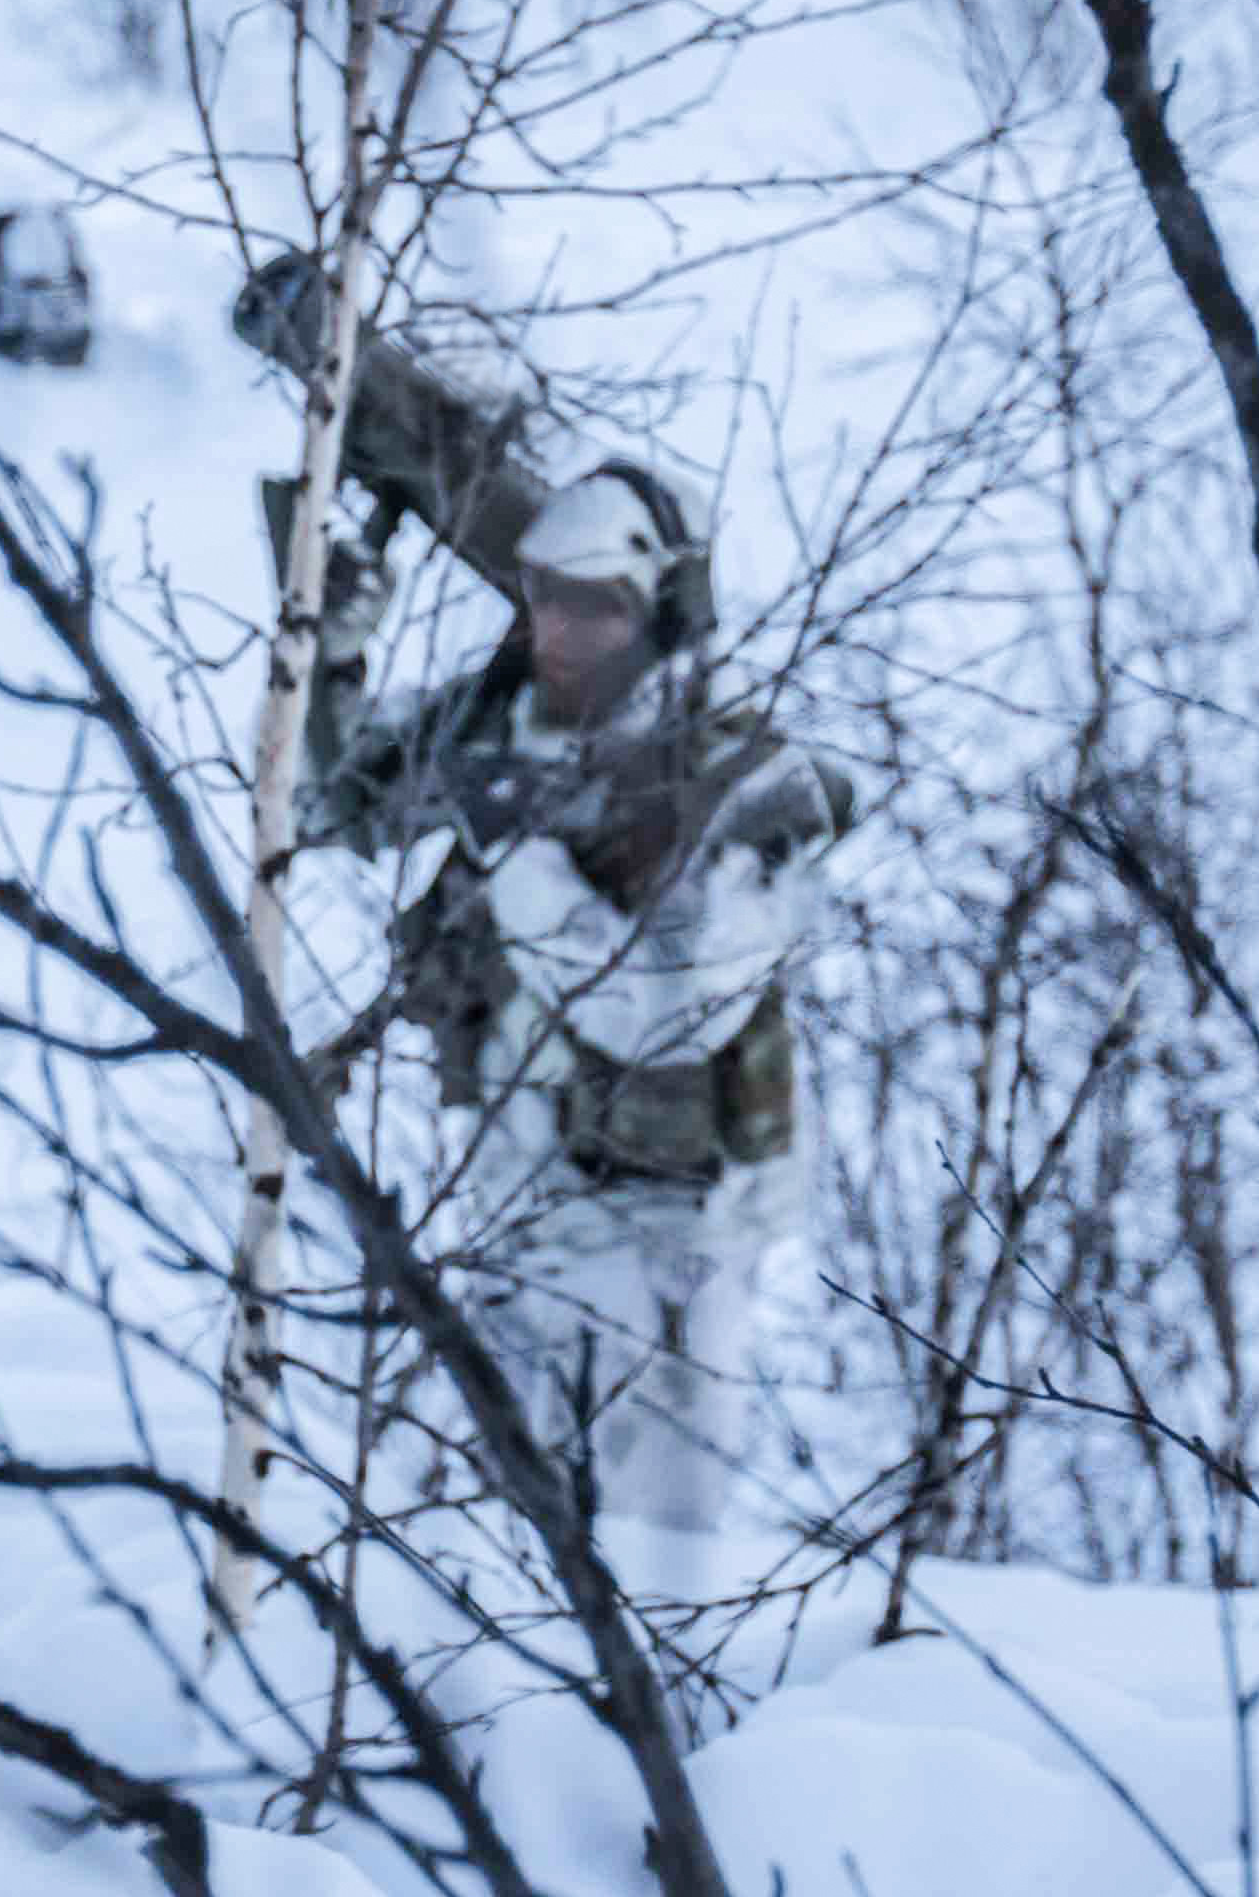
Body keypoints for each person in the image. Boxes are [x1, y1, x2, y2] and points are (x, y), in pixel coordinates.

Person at [297, 463, 852, 1535]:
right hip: (523, 1193)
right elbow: (334, 806)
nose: (559, 625)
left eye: (596, 604)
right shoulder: (499, 729)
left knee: (659, 1536)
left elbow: (667, 1014)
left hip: (679, 1226)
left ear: (658, 611)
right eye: (544, 590)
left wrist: (521, 858)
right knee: (484, 1507)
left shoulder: (737, 773)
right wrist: (331, 655)